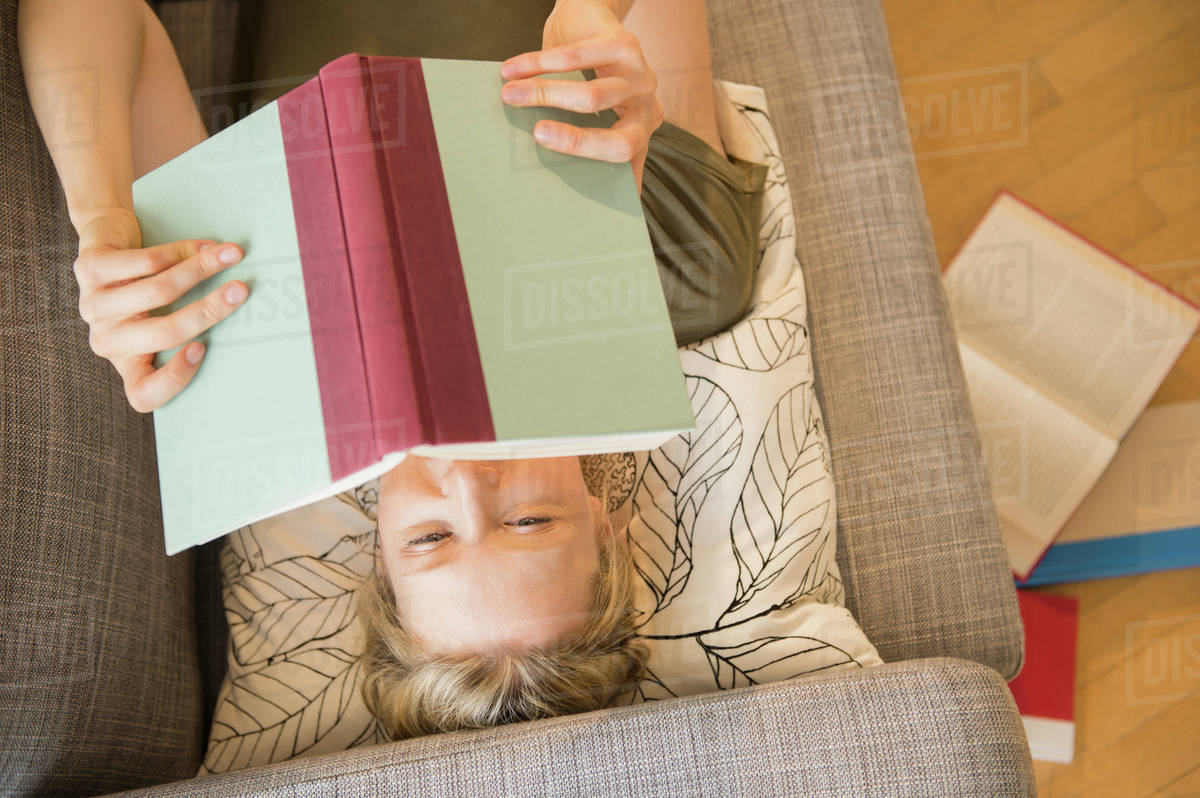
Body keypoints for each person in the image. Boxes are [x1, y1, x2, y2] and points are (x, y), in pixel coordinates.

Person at [20, 0, 768, 740]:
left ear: (378, 551)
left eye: (431, 539)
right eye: (528, 521)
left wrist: (101, 219)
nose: (467, 479)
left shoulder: (260, 342)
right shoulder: (688, 270)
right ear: (607, 524)